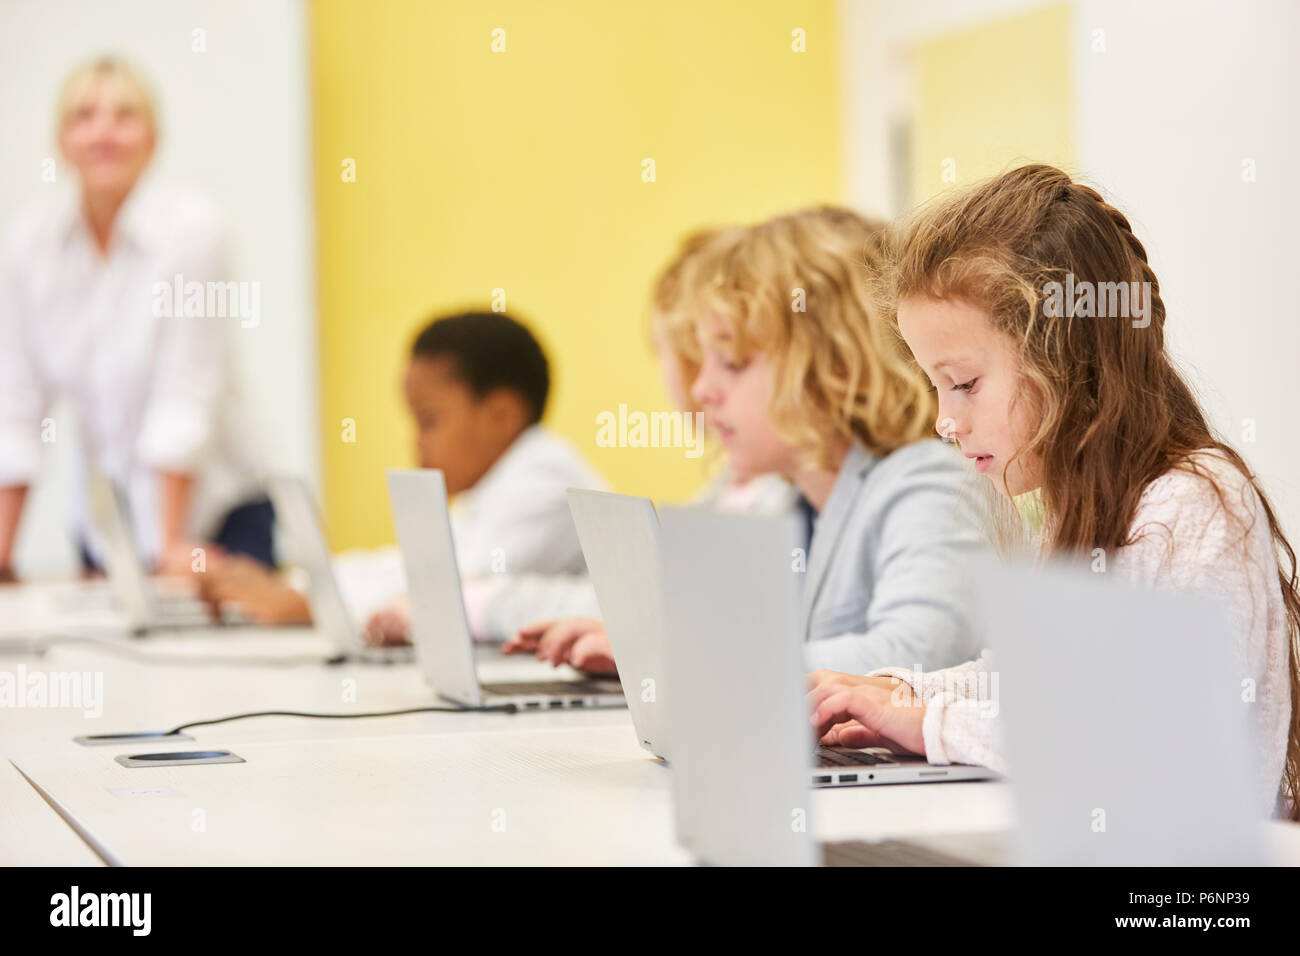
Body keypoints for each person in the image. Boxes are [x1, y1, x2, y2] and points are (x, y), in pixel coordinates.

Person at [807, 164, 1300, 820]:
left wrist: (931, 722)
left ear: (1065, 358)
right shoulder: (1082, 503)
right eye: (934, 385)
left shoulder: (1195, 508)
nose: (942, 422)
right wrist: (896, 689)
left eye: (963, 382)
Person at [511, 207, 987, 675]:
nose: (702, 391)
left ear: (836, 367)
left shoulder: (930, 481)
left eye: (733, 363)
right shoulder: (792, 498)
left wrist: (680, 656)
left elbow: (919, 655)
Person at [0, 55, 268, 580]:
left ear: (153, 138)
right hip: (108, 526)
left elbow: (184, 393)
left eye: (125, 116)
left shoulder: (195, 233)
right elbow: (16, 404)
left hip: (211, 520)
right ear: (61, 140)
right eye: (84, 115)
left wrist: (169, 545)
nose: (104, 131)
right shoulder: (29, 246)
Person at [200, 310, 607, 641]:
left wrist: (311, 601)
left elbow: (443, 587)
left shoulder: (545, 481)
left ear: (501, 415)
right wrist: (303, 581)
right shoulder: (498, 485)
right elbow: (408, 565)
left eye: (429, 421)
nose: (417, 444)